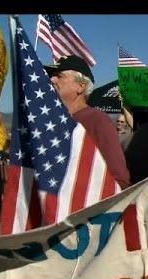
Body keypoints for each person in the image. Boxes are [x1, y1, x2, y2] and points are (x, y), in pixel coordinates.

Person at [44, 55, 130, 189]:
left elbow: (119, 179)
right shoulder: (50, 121)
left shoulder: (97, 121)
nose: (52, 79)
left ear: (81, 87)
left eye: (59, 76)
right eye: (51, 75)